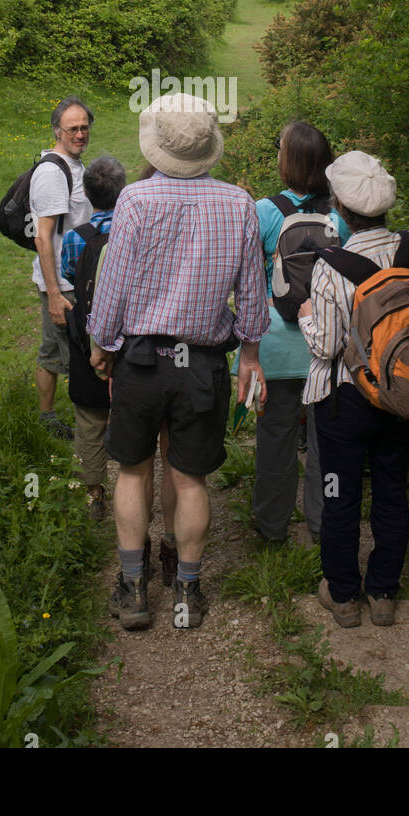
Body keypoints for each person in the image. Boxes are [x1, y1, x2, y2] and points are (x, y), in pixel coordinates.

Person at [88, 93, 270, 631]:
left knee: (132, 468)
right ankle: (187, 591)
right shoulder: (238, 203)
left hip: (142, 360)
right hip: (204, 365)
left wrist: (101, 344)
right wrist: (251, 354)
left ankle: (133, 589)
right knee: (189, 477)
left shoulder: (135, 201)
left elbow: (113, 285)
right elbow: (252, 293)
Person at [298, 150, 409, 628]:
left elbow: (329, 344)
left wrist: (306, 318)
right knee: (393, 489)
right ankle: (382, 594)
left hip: (345, 398)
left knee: (340, 493)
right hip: (400, 394)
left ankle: (343, 595)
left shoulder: (333, 264)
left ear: (339, 205)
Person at [245, 121, 351, 545]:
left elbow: (249, 281)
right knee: (324, 442)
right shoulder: (340, 217)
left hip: (274, 345)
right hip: (325, 347)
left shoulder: (264, 211)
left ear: (287, 160)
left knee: (274, 441)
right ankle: (323, 526)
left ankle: (271, 527)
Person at [60, 155, 127, 521]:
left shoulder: (75, 238)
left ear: (87, 194)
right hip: (129, 341)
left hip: (88, 340)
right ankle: (136, 479)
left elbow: (69, 274)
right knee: (131, 411)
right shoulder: (134, 231)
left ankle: (95, 493)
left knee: (88, 417)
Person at [29, 95, 94, 440]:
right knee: (69, 355)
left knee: (56, 352)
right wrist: (53, 293)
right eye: (73, 129)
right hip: (61, 284)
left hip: (71, 279)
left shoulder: (73, 165)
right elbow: (43, 237)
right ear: (57, 131)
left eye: (84, 127)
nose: (80, 134)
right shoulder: (54, 173)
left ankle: (50, 418)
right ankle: (64, 424)